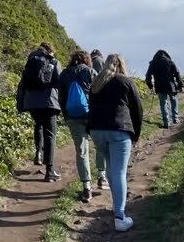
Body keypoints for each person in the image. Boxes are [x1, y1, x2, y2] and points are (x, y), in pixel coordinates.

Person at [87, 53, 144, 232]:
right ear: (121, 65)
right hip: (119, 131)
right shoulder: (126, 82)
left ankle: (116, 205)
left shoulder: (96, 83)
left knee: (111, 168)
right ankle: (119, 216)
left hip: (97, 131)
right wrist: (135, 133)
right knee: (119, 172)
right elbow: (138, 109)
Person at [57, 50, 100, 202]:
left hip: (72, 117)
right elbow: (98, 94)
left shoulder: (64, 74)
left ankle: (86, 187)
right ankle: (102, 176)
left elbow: (60, 97)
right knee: (100, 145)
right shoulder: (91, 72)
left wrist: (66, 115)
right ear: (87, 60)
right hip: (91, 115)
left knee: (81, 151)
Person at [16, 42, 62, 182]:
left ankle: (39, 153)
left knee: (38, 125)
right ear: (51, 51)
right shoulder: (53, 61)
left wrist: (21, 102)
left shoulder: (31, 60)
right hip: (49, 102)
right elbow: (58, 81)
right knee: (50, 134)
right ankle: (50, 170)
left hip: (32, 102)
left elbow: (23, 82)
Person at [144, 49, 184, 128]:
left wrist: (150, 86)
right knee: (174, 101)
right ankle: (175, 118)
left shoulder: (153, 63)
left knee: (163, 103)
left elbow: (148, 76)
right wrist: (180, 85)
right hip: (171, 86)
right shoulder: (170, 62)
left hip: (160, 87)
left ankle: (166, 122)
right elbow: (177, 73)